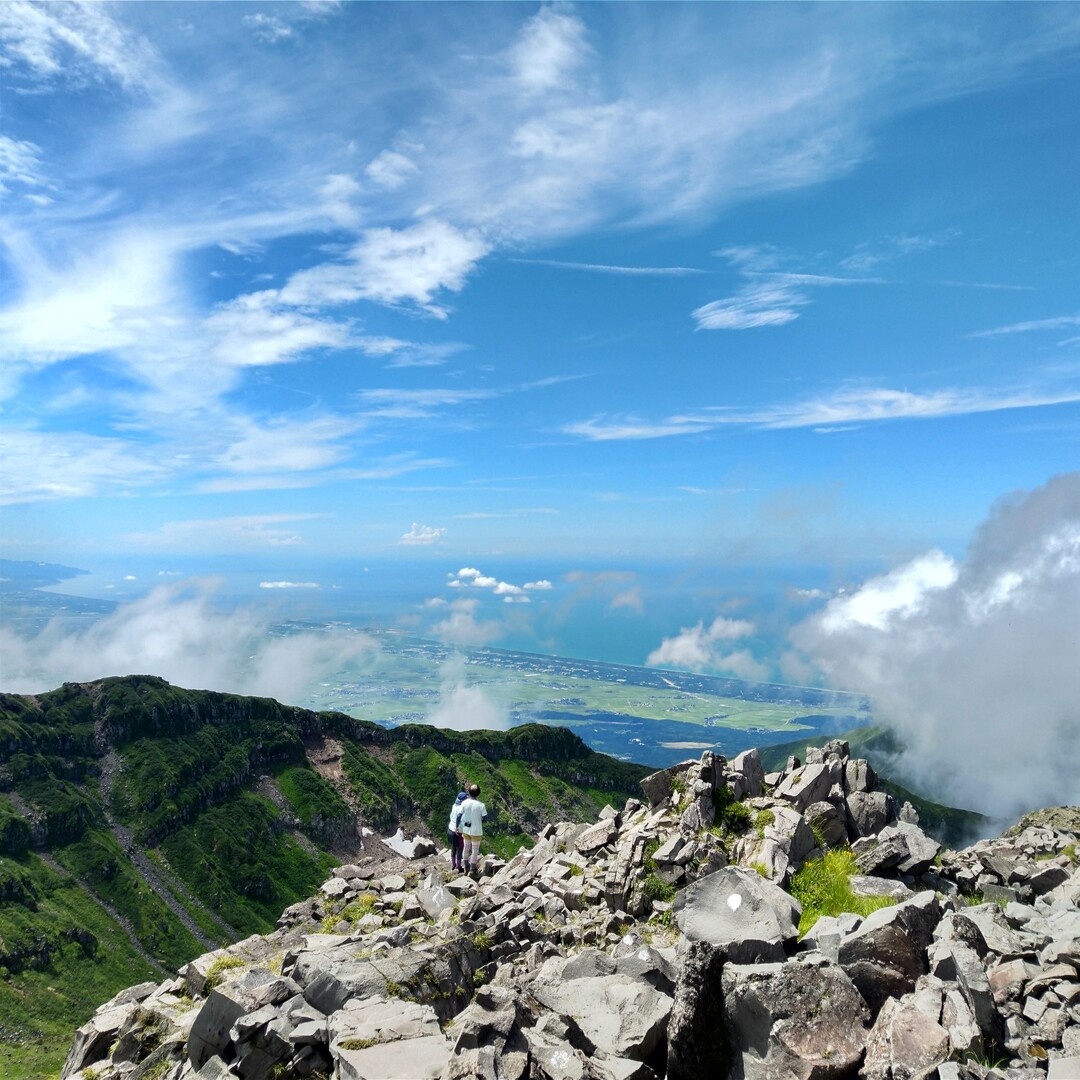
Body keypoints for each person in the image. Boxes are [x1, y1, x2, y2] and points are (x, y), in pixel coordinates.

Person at [454, 783, 488, 877]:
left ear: (468, 792)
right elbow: (485, 818)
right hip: (476, 831)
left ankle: (466, 868)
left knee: (466, 848)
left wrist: (457, 827)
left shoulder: (464, 803)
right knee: (474, 851)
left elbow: (459, 815)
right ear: (478, 793)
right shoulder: (481, 805)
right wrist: (478, 820)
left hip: (466, 829)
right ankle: (472, 871)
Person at [447, 790, 467, 871]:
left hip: (450, 830)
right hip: (457, 831)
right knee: (460, 848)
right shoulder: (461, 809)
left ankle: (453, 865)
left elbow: (452, 817)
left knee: (453, 847)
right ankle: (458, 867)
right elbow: (461, 819)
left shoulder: (454, 806)